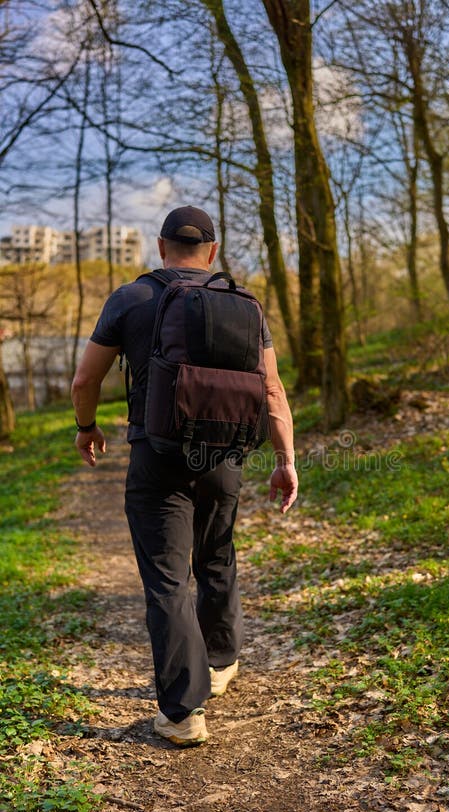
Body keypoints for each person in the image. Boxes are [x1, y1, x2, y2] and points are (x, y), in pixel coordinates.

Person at [71, 206, 298, 747]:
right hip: (225, 456)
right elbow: (271, 390)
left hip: (159, 456)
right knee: (216, 554)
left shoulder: (131, 297)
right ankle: (220, 663)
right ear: (213, 252)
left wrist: (87, 427)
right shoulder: (244, 305)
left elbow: (85, 378)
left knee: (168, 580)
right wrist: (286, 459)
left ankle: (181, 712)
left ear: (160, 246)